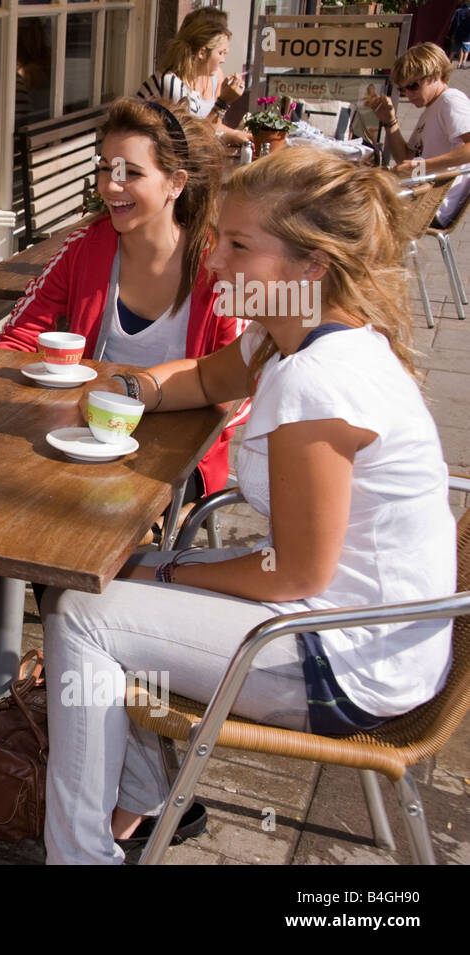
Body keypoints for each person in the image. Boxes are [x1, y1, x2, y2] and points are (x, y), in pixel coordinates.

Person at [40, 146, 456, 864]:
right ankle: (139, 795)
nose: (214, 262)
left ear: (310, 266)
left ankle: (80, 854)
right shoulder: (289, 334)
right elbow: (202, 378)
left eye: (239, 245)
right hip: (360, 623)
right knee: (101, 573)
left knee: (84, 608)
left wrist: (163, 577)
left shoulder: (317, 382)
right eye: (217, 239)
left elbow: (295, 574)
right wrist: (133, 389)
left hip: (354, 657)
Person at [0, 96, 239, 684]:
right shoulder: (88, 247)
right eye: (105, 168)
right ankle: (46, 664)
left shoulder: (218, 265)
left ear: (177, 183)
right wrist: (42, 372)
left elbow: (239, 389)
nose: (112, 185)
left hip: (174, 457)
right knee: (17, 484)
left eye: (131, 172)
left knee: (54, 507)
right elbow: (19, 334)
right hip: (75, 432)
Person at [366, 42, 470, 227]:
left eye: (413, 86)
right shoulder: (431, 107)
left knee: (348, 203)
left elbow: (417, 164)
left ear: (436, 75)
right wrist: (390, 122)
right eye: (402, 89)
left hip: (431, 205)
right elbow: (405, 158)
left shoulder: (450, 101)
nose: (408, 94)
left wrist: (423, 165)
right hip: (420, 194)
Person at [136, 11, 252, 149]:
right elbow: (190, 141)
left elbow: (203, 129)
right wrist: (223, 103)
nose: (223, 60)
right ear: (202, 53)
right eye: (220, 53)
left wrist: (237, 134)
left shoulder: (190, 82)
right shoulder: (173, 84)